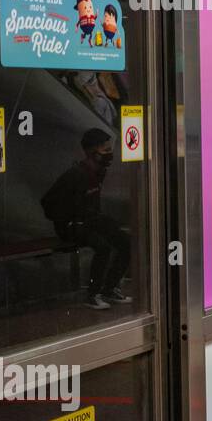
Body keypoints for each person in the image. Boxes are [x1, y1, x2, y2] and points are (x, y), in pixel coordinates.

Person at [41, 128, 131, 310]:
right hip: (71, 225)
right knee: (103, 247)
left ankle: (110, 288)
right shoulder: (75, 174)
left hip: (91, 220)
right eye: (105, 150)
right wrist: (69, 219)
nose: (109, 154)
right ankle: (93, 294)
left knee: (125, 241)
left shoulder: (99, 171)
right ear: (92, 153)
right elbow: (47, 202)